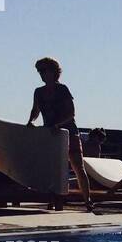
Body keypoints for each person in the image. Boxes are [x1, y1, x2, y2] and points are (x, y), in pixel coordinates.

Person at [27, 57, 92, 212]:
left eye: (44, 70)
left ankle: (87, 200)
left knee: (78, 166)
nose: (42, 74)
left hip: (68, 133)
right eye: (39, 71)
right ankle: (52, 199)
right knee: (51, 168)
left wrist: (58, 125)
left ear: (53, 72)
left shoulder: (62, 89)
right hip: (50, 134)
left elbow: (71, 113)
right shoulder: (38, 92)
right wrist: (30, 121)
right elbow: (35, 110)